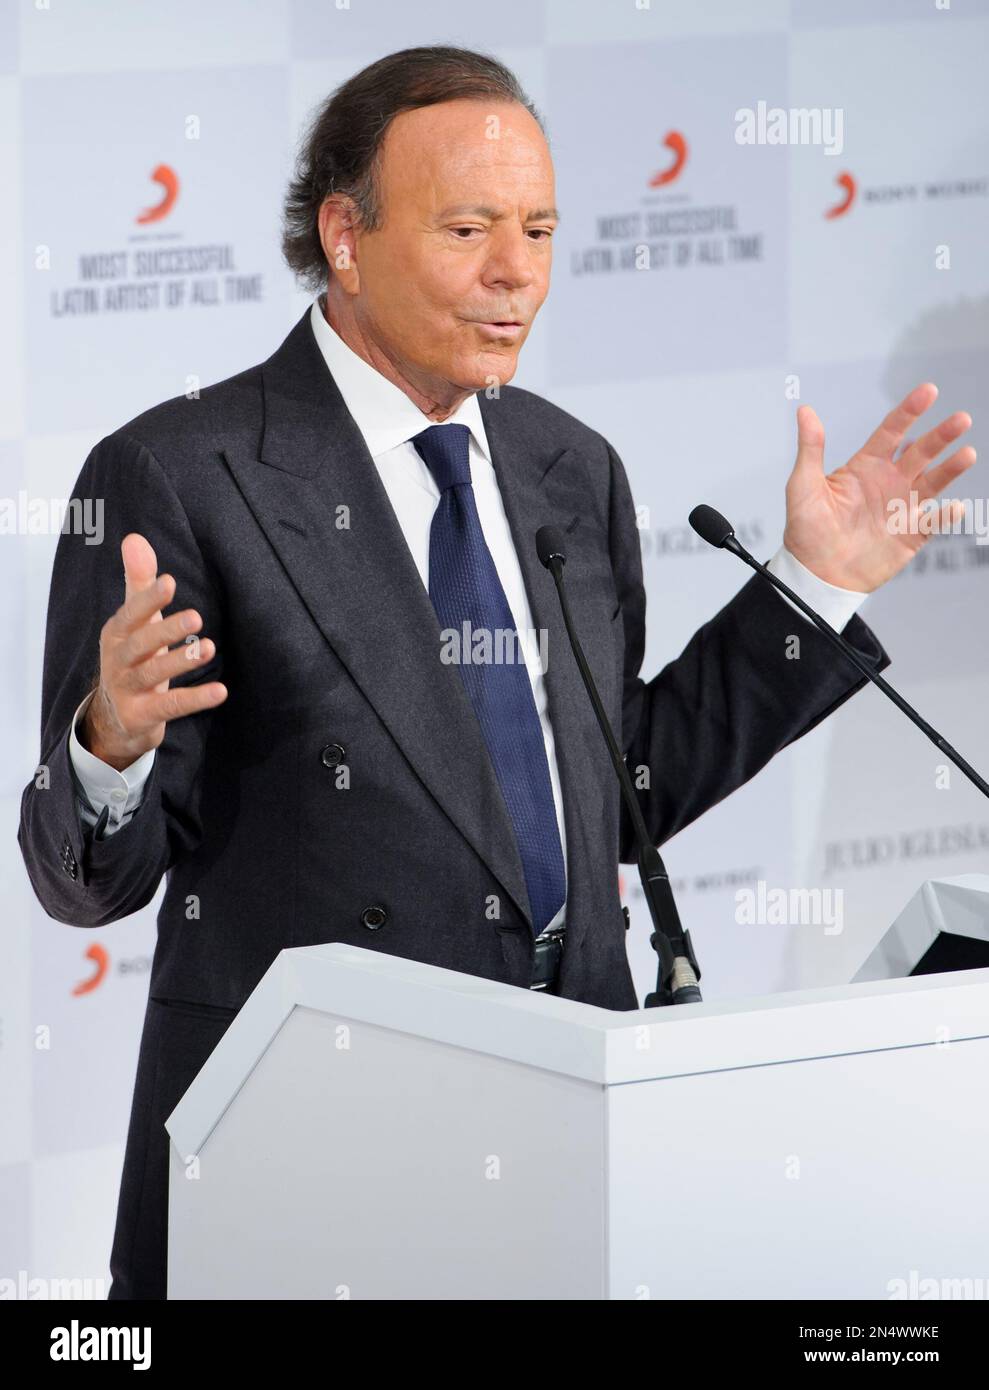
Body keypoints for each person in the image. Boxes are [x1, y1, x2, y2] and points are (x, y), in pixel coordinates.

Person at [18, 46, 973, 1300]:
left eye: (537, 228)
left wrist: (812, 588)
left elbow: (621, 785)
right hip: (311, 1166)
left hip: (576, 1137)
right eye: (467, 227)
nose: (516, 271)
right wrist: (109, 747)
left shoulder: (565, 465)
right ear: (344, 237)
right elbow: (90, 889)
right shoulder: (186, 474)